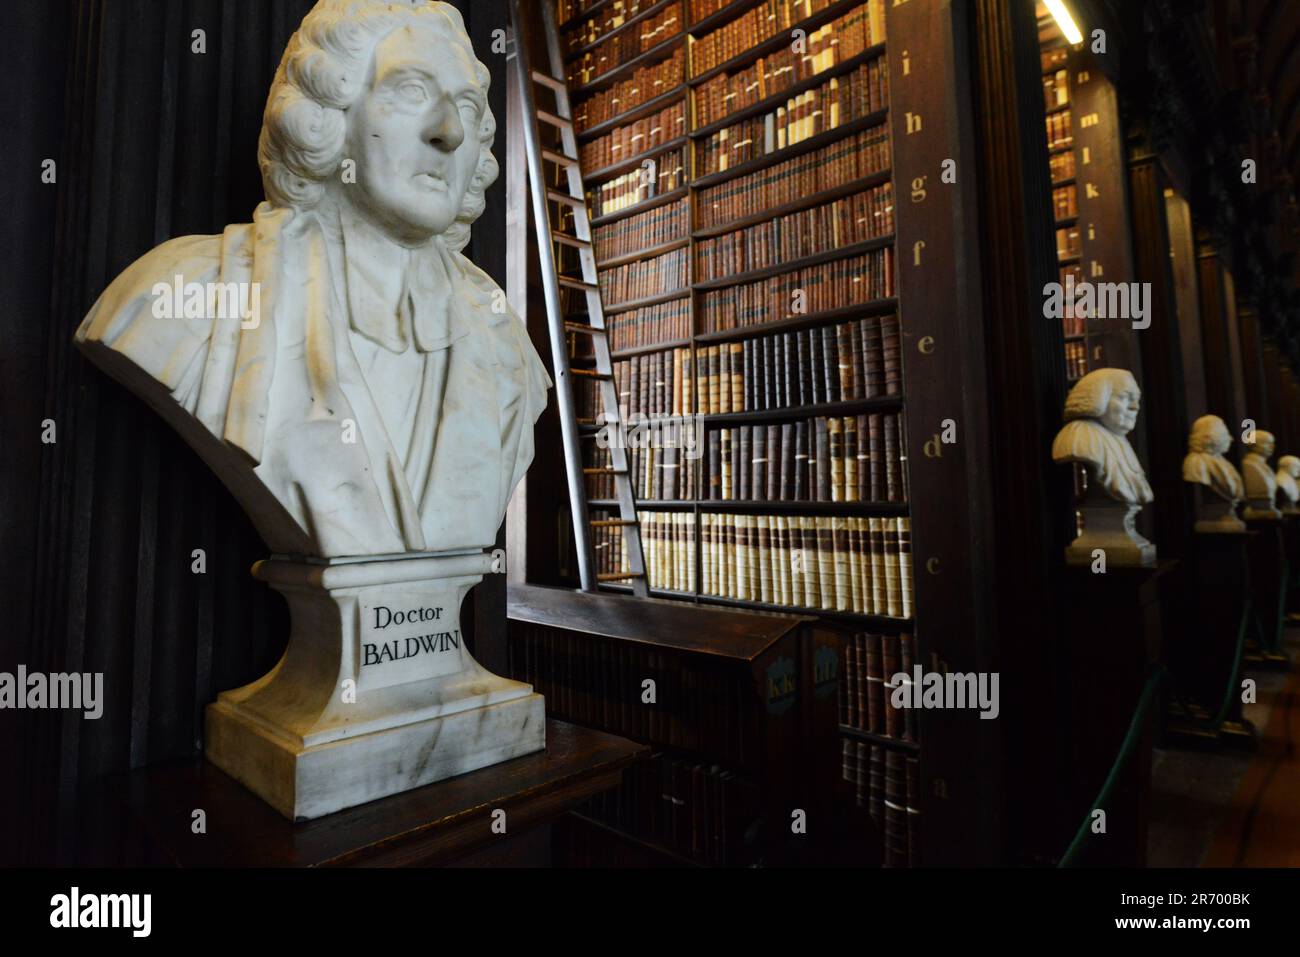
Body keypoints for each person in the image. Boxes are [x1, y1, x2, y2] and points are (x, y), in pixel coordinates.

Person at [75, 0, 551, 558]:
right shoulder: (182, 298)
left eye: (468, 108)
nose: (449, 132)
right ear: (329, 118)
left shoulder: (502, 342)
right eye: (411, 92)